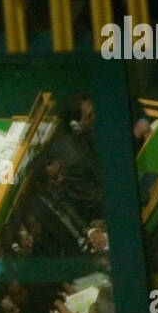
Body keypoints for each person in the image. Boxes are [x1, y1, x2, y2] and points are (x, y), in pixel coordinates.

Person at [44, 92, 104, 220]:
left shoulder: (83, 135)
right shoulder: (75, 160)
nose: (96, 117)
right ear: (75, 126)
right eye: (89, 117)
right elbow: (97, 202)